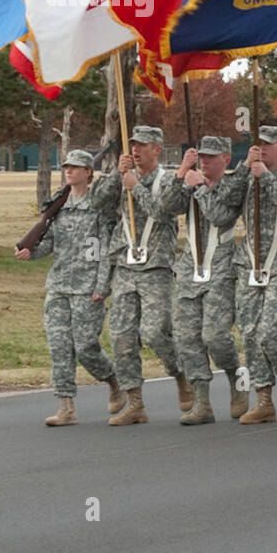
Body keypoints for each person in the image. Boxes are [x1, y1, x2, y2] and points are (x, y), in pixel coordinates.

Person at [15, 149, 122, 426]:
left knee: (86, 346)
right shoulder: (59, 207)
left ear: (88, 172)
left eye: (75, 167)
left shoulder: (99, 208)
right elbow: (50, 243)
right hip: (59, 286)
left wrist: (102, 286)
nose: (69, 171)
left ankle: (113, 381)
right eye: (66, 167)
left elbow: (106, 252)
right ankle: (66, 406)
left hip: (88, 288)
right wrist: (32, 252)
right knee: (59, 346)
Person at [91, 125, 189, 426]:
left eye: (142, 145)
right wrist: (115, 176)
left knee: (155, 331)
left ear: (157, 149)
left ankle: (181, 373)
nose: (136, 150)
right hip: (125, 265)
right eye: (133, 145)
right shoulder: (124, 177)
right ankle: (135, 402)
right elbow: (97, 202)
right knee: (121, 336)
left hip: (155, 267)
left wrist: (136, 187)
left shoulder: (170, 180)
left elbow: (164, 212)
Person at [161, 136, 246, 424]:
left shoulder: (232, 187)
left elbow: (220, 216)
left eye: (212, 156)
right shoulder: (191, 180)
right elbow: (167, 207)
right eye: (202, 156)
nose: (205, 161)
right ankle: (201, 403)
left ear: (226, 159)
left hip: (221, 268)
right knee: (186, 337)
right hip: (189, 269)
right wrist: (181, 174)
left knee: (215, 336)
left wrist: (199, 186)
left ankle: (237, 380)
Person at [229, 125, 277, 423]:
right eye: (258, 144)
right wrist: (245, 167)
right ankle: (263, 397)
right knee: (248, 332)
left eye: (268, 144)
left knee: (271, 332)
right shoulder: (247, 175)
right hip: (249, 264)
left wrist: (266, 177)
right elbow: (225, 203)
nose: (262, 149)